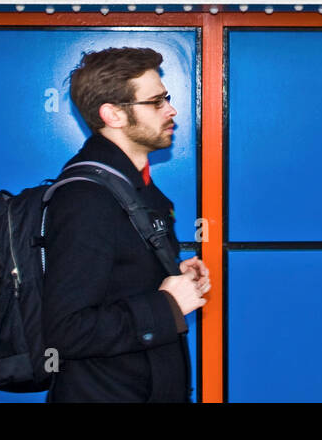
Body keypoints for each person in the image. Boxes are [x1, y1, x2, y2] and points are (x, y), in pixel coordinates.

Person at [41, 46, 210, 402]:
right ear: (113, 114)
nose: (172, 110)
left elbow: (117, 279)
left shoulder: (134, 185)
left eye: (167, 98)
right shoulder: (87, 198)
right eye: (157, 101)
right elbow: (67, 330)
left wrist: (175, 271)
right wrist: (167, 304)